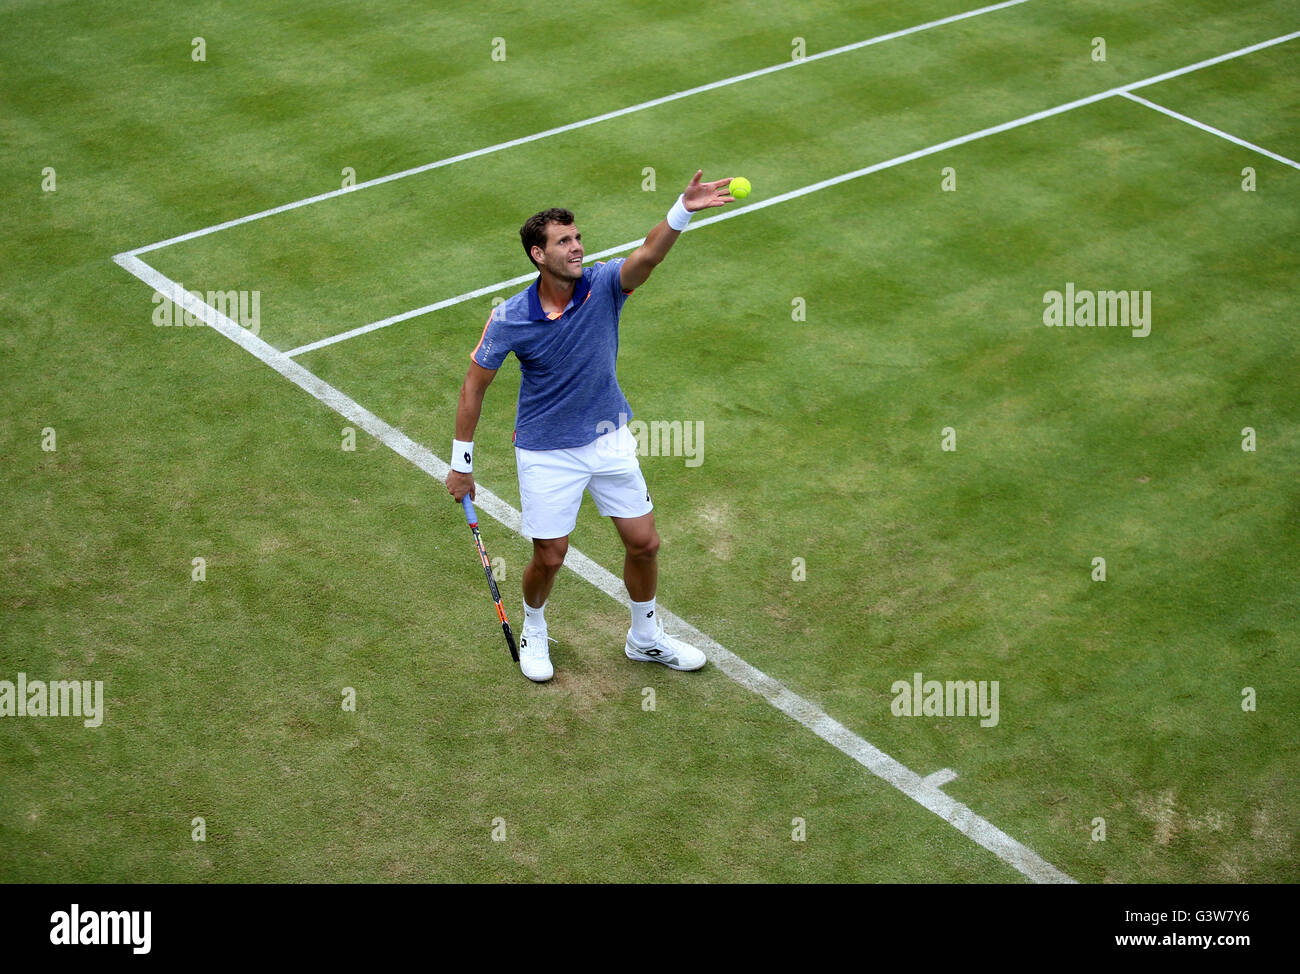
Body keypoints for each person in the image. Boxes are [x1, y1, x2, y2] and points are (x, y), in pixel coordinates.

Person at [445, 171, 737, 682]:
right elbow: (474, 386)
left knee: (644, 542)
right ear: (539, 254)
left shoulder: (604, 285)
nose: (577, 247)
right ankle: (535, 626)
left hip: (610, 438)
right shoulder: (511, 317)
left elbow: (649, 255)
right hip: (546, 451)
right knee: (551, 556)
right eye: (564, 242)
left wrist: (683, 209)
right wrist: (461, 465)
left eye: (578, 237)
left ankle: (644, 639)